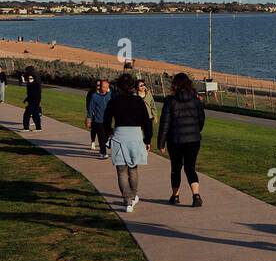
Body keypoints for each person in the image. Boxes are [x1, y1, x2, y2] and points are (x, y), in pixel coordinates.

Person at [104, 73, 152, 212]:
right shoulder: (138, 101)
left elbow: (106, 120)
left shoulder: (114, 101)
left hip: (120, 134)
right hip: (136, 135)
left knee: (121, 170)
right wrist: (147, 139)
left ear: (118, 86)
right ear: (132, 86)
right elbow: (147, 122)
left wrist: (109, 133)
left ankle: (127, 200)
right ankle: (133, 195)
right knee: (133, 168)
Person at [158, 72, 205, 206]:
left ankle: (175, 195)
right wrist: (196, 131)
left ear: (175, 85)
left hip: (175, 140)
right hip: (193, 140)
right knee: (190, 167)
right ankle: (196, 195)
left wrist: (161, 142)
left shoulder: (170, 101)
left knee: (176, 168)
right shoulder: (196, 100)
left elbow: (165, 123)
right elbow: (201, 119)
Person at [86, 79, 112, 156]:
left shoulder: (110, 95)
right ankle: (103, 152)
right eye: (103, 87)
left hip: (108, 120)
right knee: (101, 137)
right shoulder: (94, 96)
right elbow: (90, 109)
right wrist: (89, 119)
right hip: (98, 120)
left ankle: (105, 145)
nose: (105, 89)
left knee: (106, 136)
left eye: (107, 87)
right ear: (100, 87)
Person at [21, 66, 43, 132]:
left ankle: (26, 128)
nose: (29, 79)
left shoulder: (35, 84)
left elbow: (34, 94)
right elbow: (30, 94)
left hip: (34, 101)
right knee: (35, 115)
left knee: (27, 115)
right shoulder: (31, 83)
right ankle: (38, 128)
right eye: (29, 78)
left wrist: (29, 100)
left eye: (31, 78)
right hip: (33, 101)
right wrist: (26, 99)